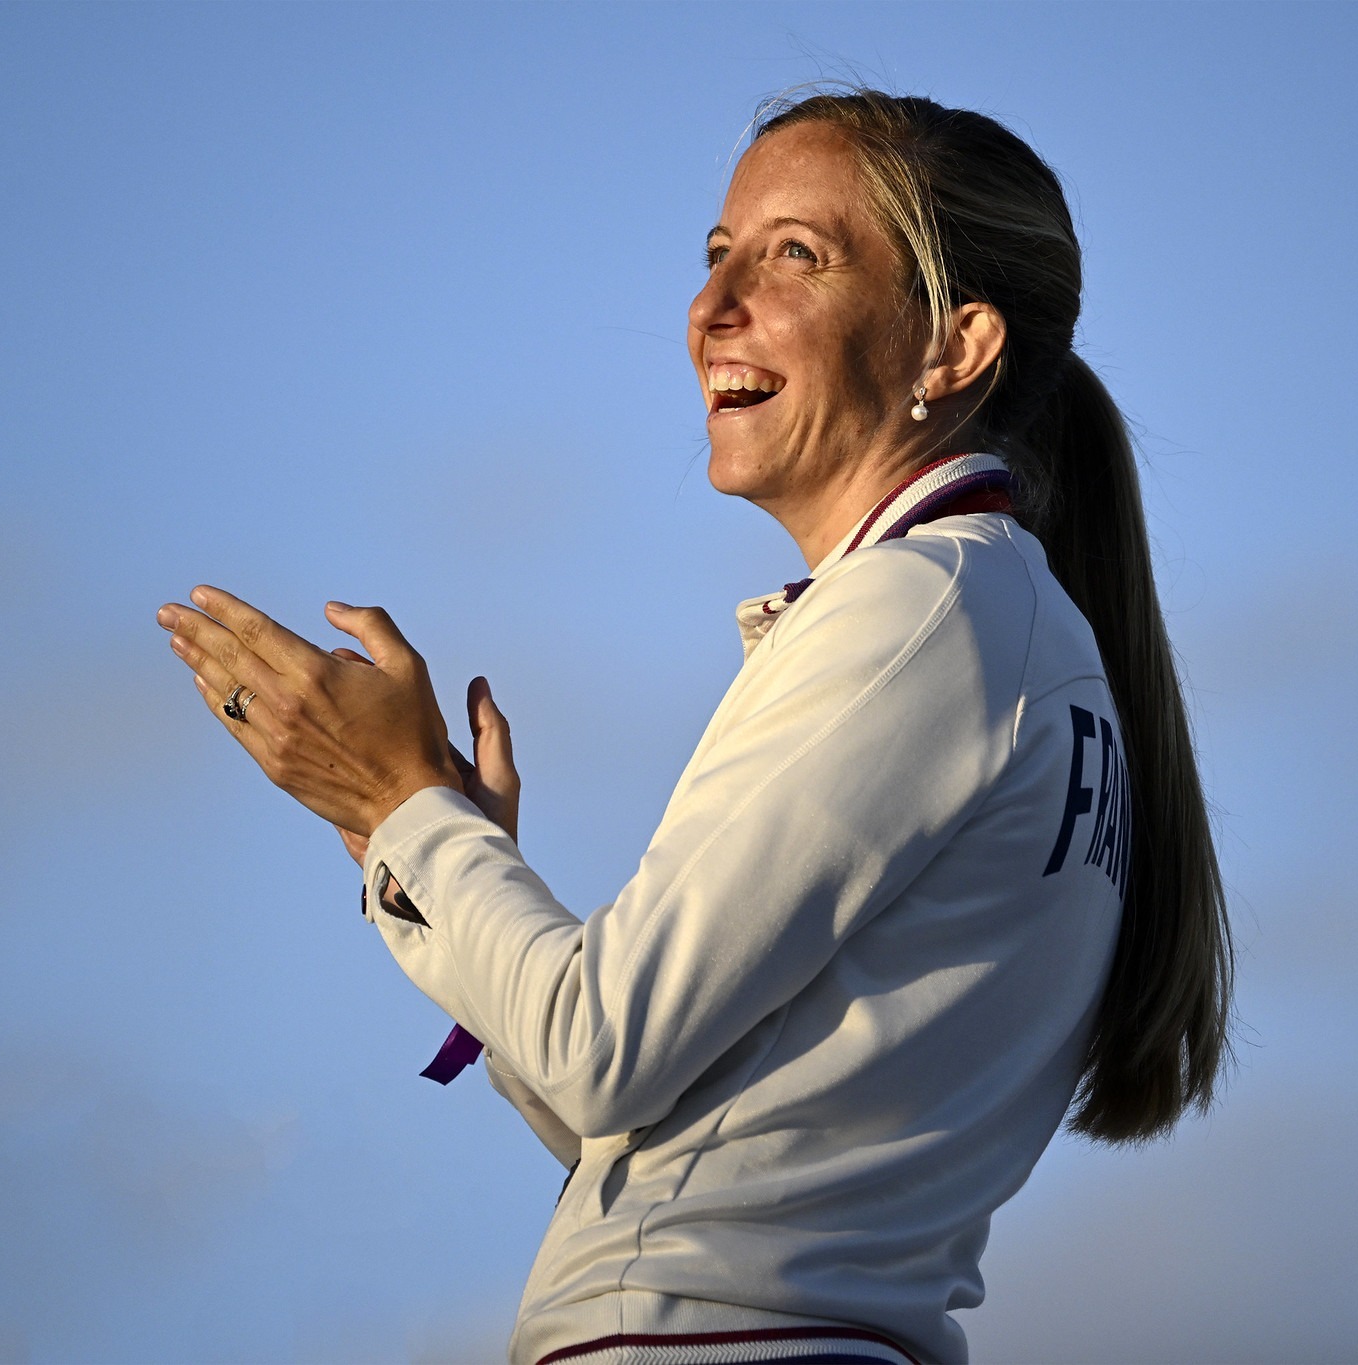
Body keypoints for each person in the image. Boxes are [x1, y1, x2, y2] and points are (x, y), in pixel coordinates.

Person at [157, 88, 1232, 1365]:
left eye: (793, 254)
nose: (714, 305)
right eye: (715, 252)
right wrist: (433, 847)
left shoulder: (922, 606)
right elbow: (631, 1112)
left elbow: (596, 1050)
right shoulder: (993, 623)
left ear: (953, 348)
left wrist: (405, 810)